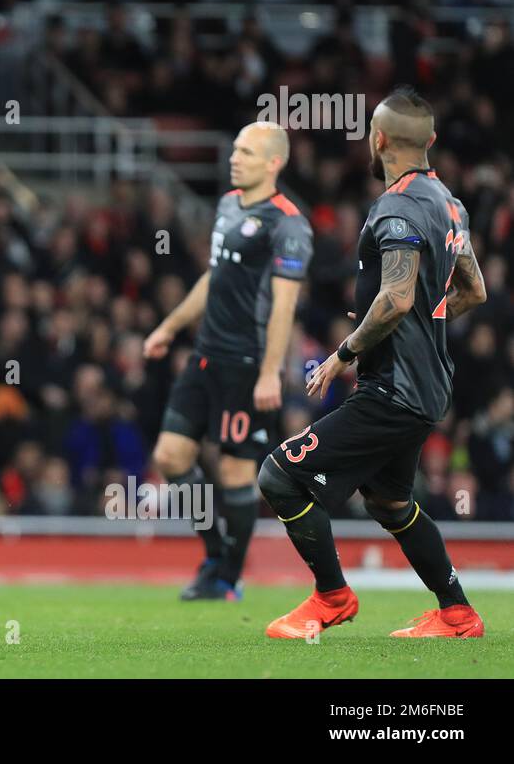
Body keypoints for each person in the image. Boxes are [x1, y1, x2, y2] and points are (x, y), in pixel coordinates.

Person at [262, 87, 486, 639]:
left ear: (378, 139)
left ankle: (332, 597)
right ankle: (458, 614)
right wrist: (409, 324)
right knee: (389, 502)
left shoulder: (398, 207)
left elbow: (396, 298)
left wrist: (343, 354)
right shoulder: (449, 203)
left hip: (394, 389)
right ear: (429, 141)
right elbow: (473, 290)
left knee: (281, 477)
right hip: (428, 387)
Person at [143, 122, 312, 599]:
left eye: (246, 151)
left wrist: (268, 372)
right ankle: (216, 552)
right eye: (234, 148)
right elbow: (214, 279)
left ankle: (226, 578)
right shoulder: (226, 205)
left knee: (237, 472)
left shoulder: (288, 224)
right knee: (170, 457)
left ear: (273, 163)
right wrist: (169, 327)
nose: (233, 158)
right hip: (204, 357)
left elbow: (283, 305)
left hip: (245, 362)